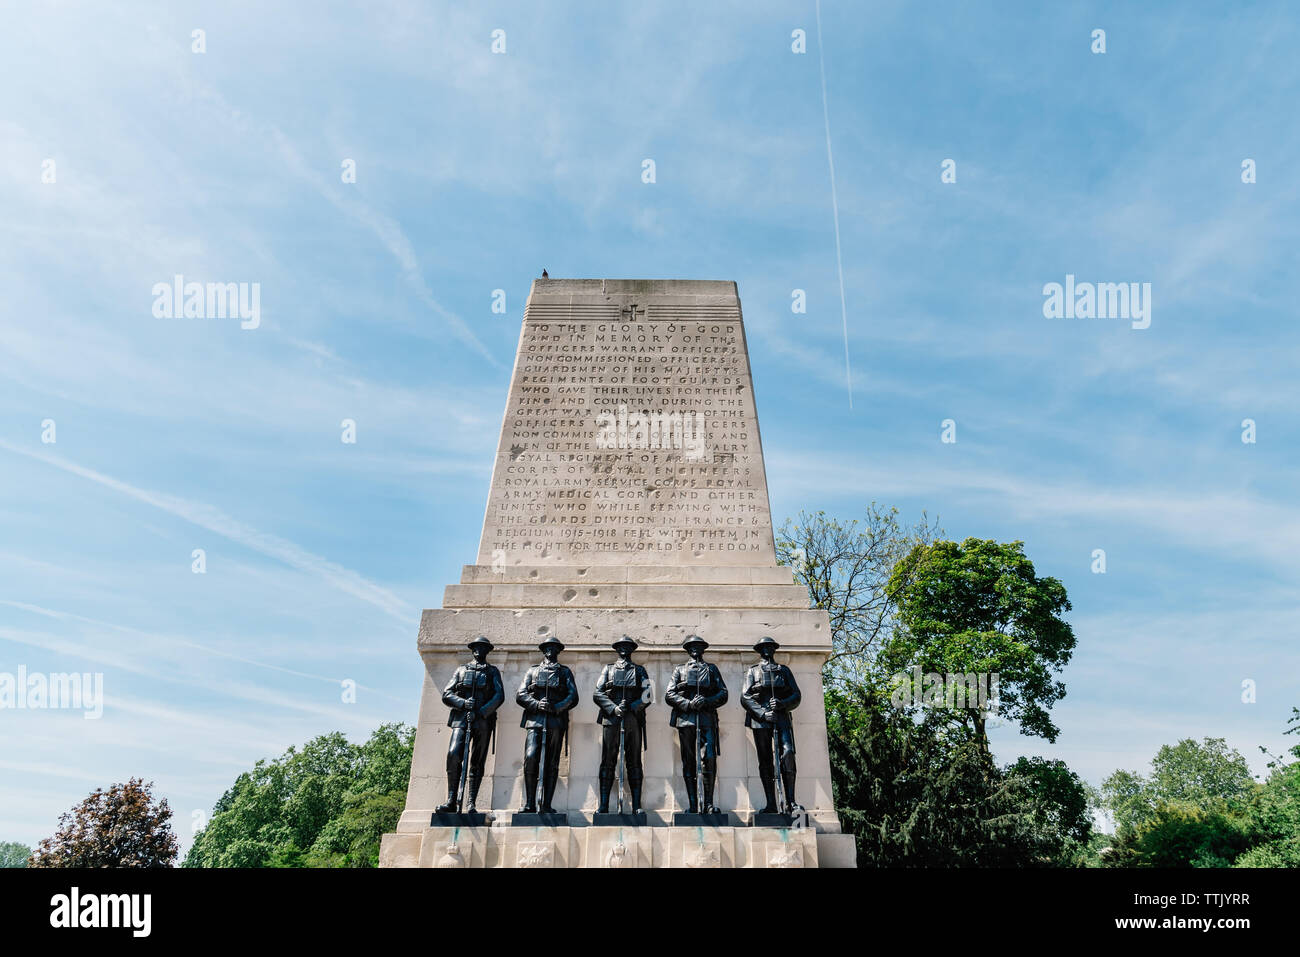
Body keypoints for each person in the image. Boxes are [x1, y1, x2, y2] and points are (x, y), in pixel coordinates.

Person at [435, 636, 504, 813]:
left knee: (477, 761)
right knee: (454, 755)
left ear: (487, 651)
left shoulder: (492, 672)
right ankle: (451, 799)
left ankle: (471, 801)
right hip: (461, 719)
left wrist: (482, 711)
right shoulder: (461, 670)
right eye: (476, 647)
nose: (478, 650)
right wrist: (463, 703)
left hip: (482, 720)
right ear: (472, 650)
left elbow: (499, 695)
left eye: (482, 648)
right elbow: (447, 694)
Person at [665, 635, 728, 813]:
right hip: (686, 719)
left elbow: (723, 693)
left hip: (707, 718)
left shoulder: (711, 669)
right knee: (689, 762)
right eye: (692, 646)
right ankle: (693, 804)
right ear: (687, 649)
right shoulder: (679, 670)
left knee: (709, 759)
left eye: (699, 646)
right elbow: (669, 694)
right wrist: (688, 704)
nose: (695, 649)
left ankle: (708, 803)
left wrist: (707, 701)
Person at [515, 636, 578, 813]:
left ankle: (547, 804)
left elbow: (573, 696)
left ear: (559, 651)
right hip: (535, 721)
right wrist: (536, 704)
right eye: (548, 648)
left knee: (552, 762)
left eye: (554, 648)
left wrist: (556, 707)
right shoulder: (532, 671)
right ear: (543, 651)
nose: (551, 651)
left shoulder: (564, 672)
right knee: (531, 758)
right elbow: (520, 694)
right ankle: (529, 803)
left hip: (555, 721)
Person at [741, 636, 802, 813]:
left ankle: (791, 801)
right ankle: (771, 804)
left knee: (788, 753)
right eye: (763, 647)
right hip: (760, 721)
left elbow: (796, 695)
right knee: (766, 761)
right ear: (759, 651)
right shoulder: (752, 672)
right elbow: (745, 696)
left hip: (781, 718)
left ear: (774, 649)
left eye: (769, 647)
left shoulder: (784, 671)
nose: (767, 650)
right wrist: (763, 713)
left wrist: (783, 704)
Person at [592, 636, 651, 813]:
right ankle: (603, 805)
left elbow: (648, 694)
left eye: (628, 646)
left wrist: (632, 707)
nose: (624, 649)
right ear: (617, 649)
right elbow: (598, 693)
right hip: (612, 717)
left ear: (632, 649)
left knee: (634, 761)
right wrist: (614, 708)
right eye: (621, 646)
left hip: (632, 717)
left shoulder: (640, 670)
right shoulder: (608, 669)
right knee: (608, 760)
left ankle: (637, 805)